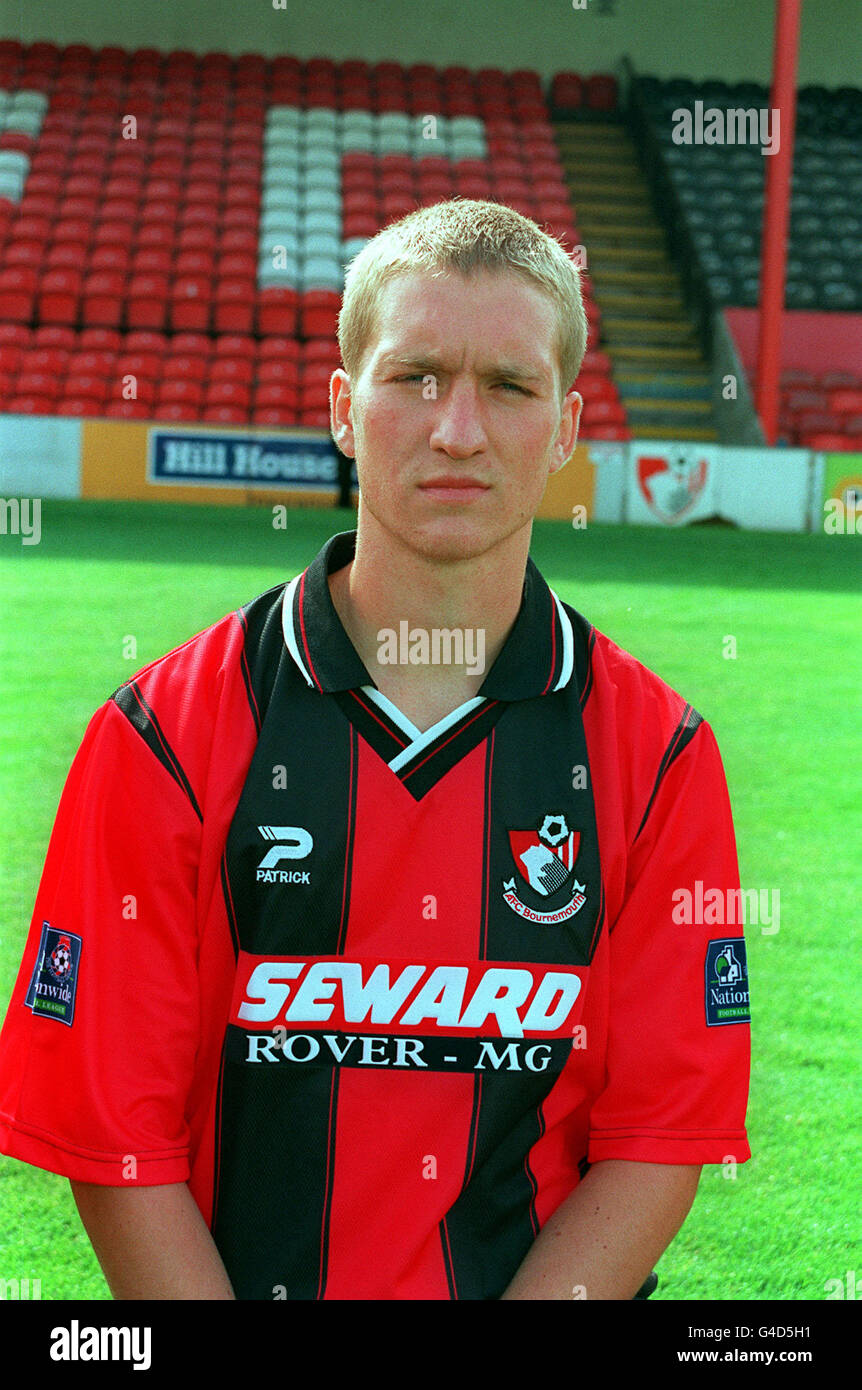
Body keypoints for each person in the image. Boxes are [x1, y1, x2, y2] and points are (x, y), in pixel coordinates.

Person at [0, 199, 751, 1300]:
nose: (458, 430)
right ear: (345, 409)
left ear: (566, 428)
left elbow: (658, 1138)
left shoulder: (659, 756)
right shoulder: (163, 734)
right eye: (416, 377)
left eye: (509, 386)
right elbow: (118, 1141)